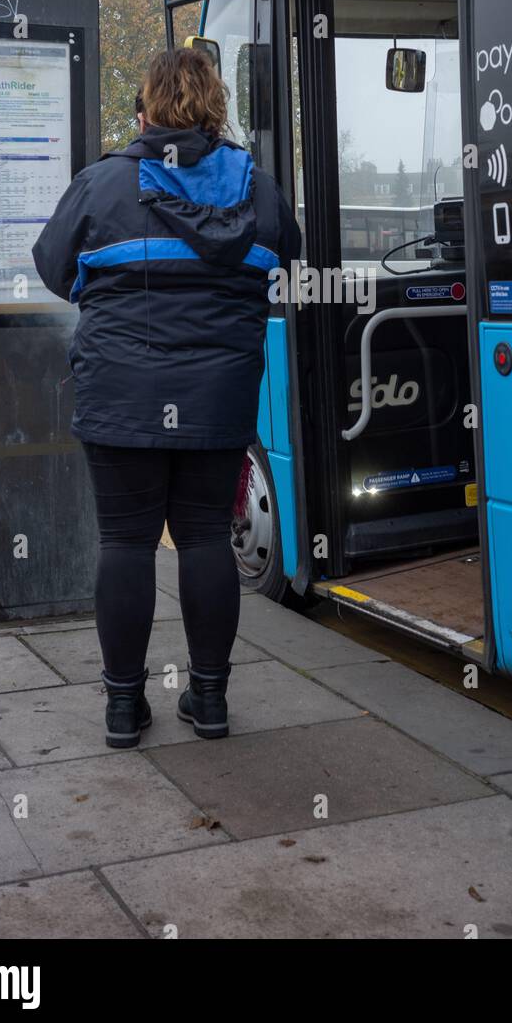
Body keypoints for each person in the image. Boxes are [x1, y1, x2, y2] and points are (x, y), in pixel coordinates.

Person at [32, 48, 301, 748]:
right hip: (220, 398)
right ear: (217, 108)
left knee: (125, 540)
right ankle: (208, 702)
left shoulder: (102, 184)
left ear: (145, 111)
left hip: (119, 394)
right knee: (206, 537)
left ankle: (124, 708)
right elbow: (290, 264)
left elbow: (53, 268)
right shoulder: (260, 191)